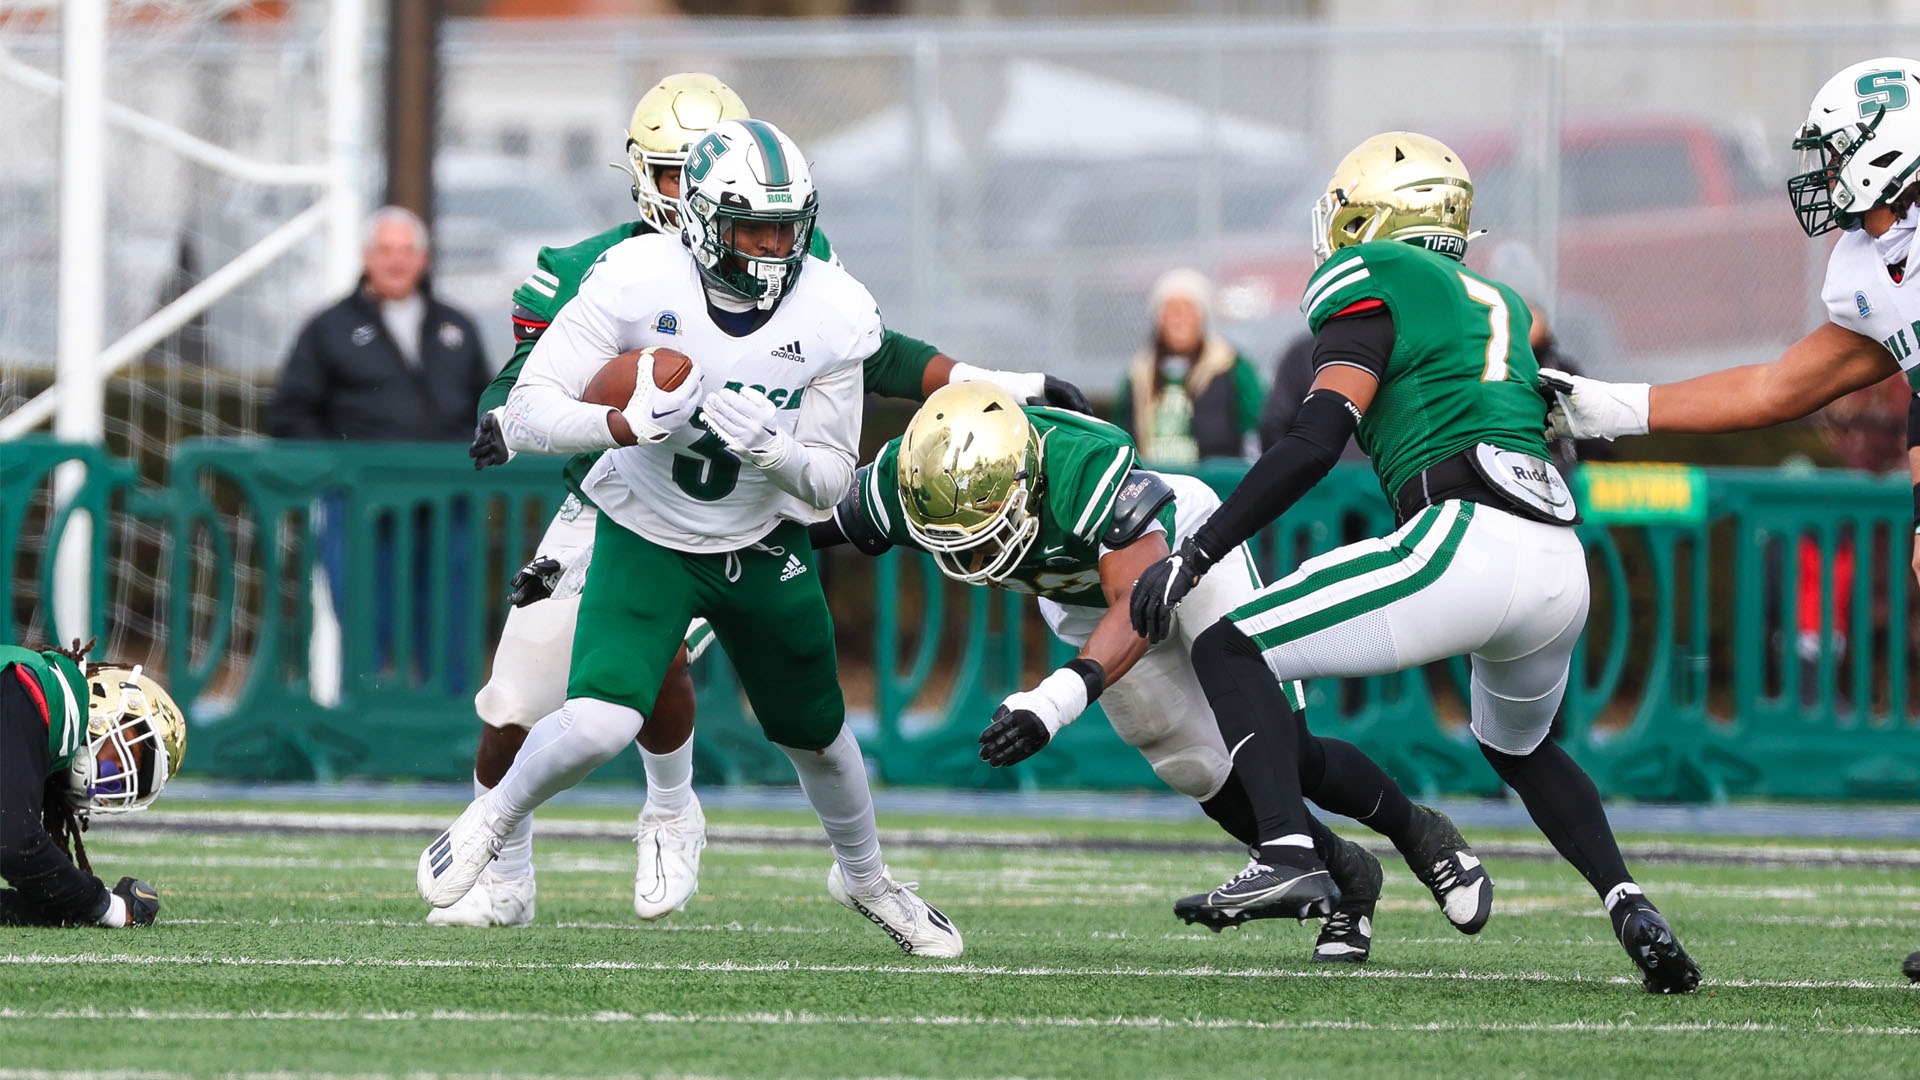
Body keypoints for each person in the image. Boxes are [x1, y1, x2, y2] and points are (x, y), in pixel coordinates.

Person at [445, 73, 1087, 928]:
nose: (686, 195)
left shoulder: (807, 278)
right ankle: (505, 866)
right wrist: (568, 421)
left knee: (701, 681)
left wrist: (992, 382)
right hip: (608, 500)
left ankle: (674, 812)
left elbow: (876, 373)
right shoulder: (607, 270)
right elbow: (524, 391)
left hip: (747, 517)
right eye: (671, 173)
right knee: (521, 698)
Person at [1128, 131, 1701, 994]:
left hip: (1463, 538)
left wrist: (1199, 551)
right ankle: (1628, 902)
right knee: (1521, 746)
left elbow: (1315, 438)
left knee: (1231, 643)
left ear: (1384, 219)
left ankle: (1287, 849)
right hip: (1557, 564)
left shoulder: (1373, 278)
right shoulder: (1496, 298)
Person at [809, 382, 1495, 963]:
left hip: (1182, 554)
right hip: (1079, 596)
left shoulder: (1085, 468)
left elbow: (1134, 607)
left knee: (1281, 746)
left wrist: (1051, 703)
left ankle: (1423, 836)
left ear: (1026, 480)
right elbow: (813, 525)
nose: (977, 548)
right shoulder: (923, 479)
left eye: (989, 525)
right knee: (1197, 768)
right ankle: (1347, 875)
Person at [1534, 58, 1920, 981]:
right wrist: (1606, 406)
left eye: (1836, 153)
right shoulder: (1876, 263)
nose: (1823, 174)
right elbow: (1778, 386)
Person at [267, 207, 492, 693]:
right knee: (367, 621)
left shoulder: (458, 328)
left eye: (406, 250)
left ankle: (446, 738)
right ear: (367, 257)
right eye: (385, 250)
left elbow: (488, 406)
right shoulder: (327, 328)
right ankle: (365, 742)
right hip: (362, 509)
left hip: (446, 505)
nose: (396, 261)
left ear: (424, 258)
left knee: (449, 621)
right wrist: (338, 469)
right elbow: (291, 411)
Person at [1, 639, 183, 928]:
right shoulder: (31, 685)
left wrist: (50, 908)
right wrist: (109, 907)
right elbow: (15, 842)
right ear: (103, 706)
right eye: (128, 753)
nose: (114, 774)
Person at [1118, 268, 1265, 464]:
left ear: (1202, 316)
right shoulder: (1138, 375)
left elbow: (1257, 423)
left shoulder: (1229, 366)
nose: (1179, 318)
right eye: (1171, 310)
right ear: (1158, 318)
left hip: (1214, 483)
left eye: (1188, 309)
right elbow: (1122, 431)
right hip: (1154, 484)